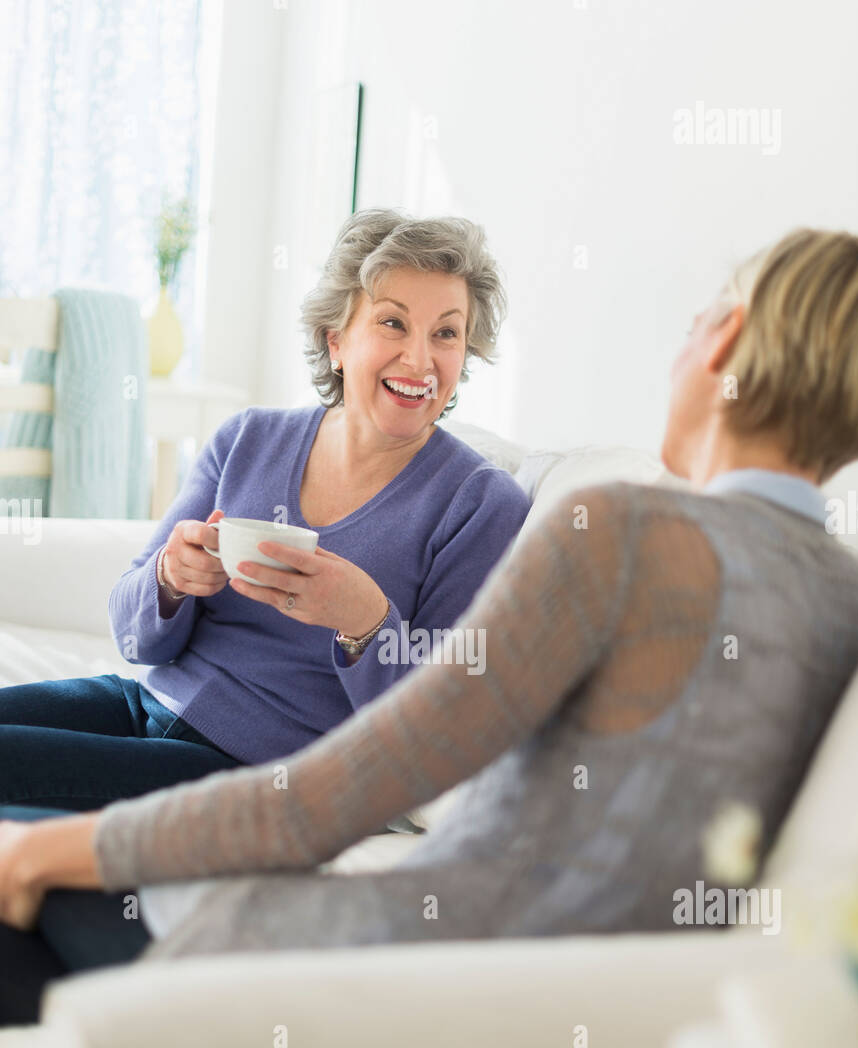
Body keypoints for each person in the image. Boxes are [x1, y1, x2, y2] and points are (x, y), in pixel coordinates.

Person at [3, 226, 858, 1028]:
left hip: (381, 971)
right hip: (538, 1011)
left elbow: (336, 795)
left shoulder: (621, 528)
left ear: (722, 339)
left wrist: (53, 851)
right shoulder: (845, 594)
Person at [0, 208, 529, 810]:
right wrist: (171, 580)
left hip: (254, 772)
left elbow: (440, 729)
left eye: (446, 333)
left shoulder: (480, 504)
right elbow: (130, 630)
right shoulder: (247, 439)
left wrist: (364, 622)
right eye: (392, 323)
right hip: (138, 701)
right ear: (337, 340)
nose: (418, 359)